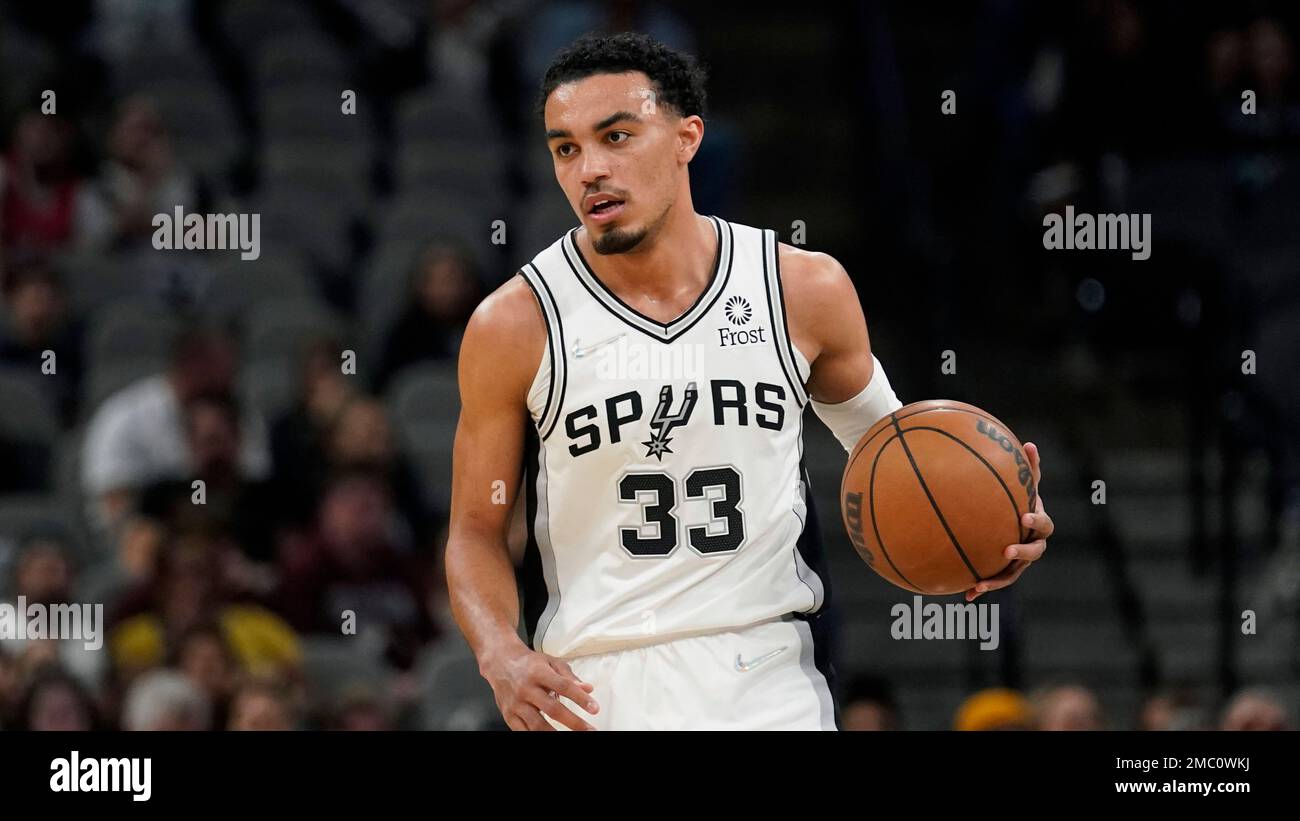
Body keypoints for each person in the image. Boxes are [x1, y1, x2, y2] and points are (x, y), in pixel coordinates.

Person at [445, 32, 1054, 731]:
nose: (590, 169)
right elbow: (474, 529)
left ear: (687, 137)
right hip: (593, 690)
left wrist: (988, 524)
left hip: (768, 677)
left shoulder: (802, 288)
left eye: (617, 136)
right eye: (567, 148)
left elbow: (896, 457)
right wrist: (499, 651)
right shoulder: (515, 324)